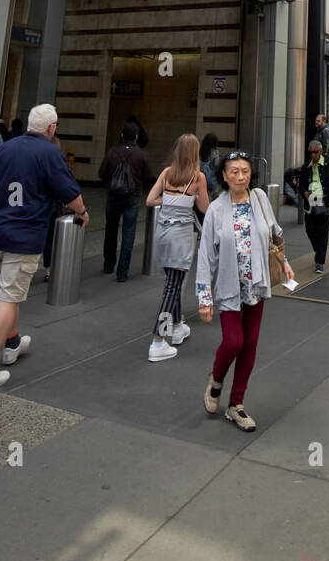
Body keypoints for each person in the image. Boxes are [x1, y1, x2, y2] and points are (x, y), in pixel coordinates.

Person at [0, 104, 87, 393]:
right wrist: (82, 212)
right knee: (8, 297)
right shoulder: (50, 153)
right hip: (24, 237)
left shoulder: (5, 149)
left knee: (4, 292)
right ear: (51, 128)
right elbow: (69, 192)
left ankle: (12, 343)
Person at [196, 151, 293, 431]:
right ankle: (216, 381)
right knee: (233, 342)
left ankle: (236, 405)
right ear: (224, 176)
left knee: (249, 344)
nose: (240, 176)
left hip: (256, 284)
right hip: (229, 286)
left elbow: (275, 234)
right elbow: (206, 256)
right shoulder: (216, 209)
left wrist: (284, 264)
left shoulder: (260, 199)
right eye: (234, 171)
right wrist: (204, 299)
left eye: (245, 171)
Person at [145, 134, 210, 361]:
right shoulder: (197, 177)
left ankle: (178, 325)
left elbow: (151, 200)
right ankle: (158, 340)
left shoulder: (166, 174)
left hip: (162, 233)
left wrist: (170, 200)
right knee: (172, 288)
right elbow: (205, 207)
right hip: (181, 237)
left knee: (172, 281)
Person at [98, 121, 155, 281]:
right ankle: (122, 272)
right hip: (132, 197)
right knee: (128, 233)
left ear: (122, 135)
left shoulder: (112, 152)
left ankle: (109, 265)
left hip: (113, 196)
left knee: (110, 230)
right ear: (136, 137)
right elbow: (149, 176)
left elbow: (101, 173)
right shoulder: (142, 154)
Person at [298, 140, 329, 272]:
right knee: (310, 230)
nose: (313, 155)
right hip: (311, 205)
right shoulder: (306, 166)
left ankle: (319, 261)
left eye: (316, 152)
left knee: (322, 233)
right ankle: (319, 250)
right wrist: (305, 192)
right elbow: (301, 185)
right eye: (311, 152)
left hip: (326, 204)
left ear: (321, 151)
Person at [199, 132, 221, 202]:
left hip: (201, 175)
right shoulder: (215, 152)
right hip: (211, 177)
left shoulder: (201, 150)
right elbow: (216, 164)